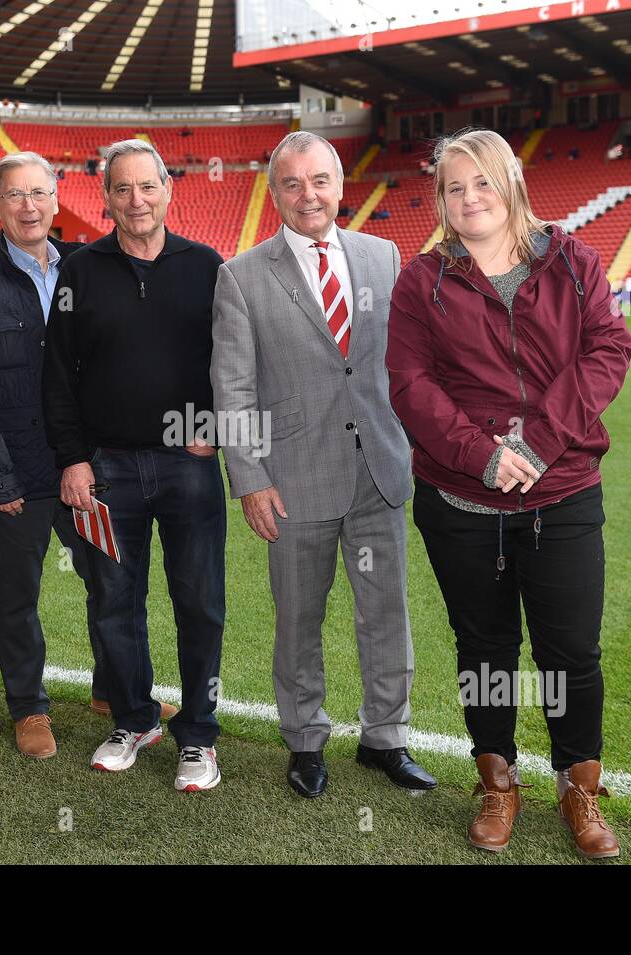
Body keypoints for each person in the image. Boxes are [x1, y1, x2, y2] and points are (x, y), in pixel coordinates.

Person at [387, 128, 631, 858]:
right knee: (485, 649)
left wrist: (536, 443)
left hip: (562, 494)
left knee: (571, 653)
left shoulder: (573, 260)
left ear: (511, 185)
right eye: (454, 188)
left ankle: (578, 787)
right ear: (442, 202)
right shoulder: (420, 280)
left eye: (481, 183)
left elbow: (608, 350)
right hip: (462, 503)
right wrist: (482, 455)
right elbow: (410, 385)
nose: (468, 198)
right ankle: (498, 782)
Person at [211, 131, 434, 800]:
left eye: (319, 180)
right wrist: (250, 480)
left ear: (340, 187)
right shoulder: (241, 274)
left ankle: (385, 737)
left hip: (378, 476)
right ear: (275, 192)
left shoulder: (384, 255)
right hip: (293, 482)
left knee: (386, 615)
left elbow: (407, 362)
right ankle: (305, 739)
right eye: (291, 183)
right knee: (298, 620)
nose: (307, 194)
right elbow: (233, 387)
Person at [0, 152, 176, 758]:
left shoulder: (89, 266)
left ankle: (119, 691)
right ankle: (29, 706)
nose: (29, 206)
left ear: (58, 199)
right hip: (18, 473)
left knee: (114, 583)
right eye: (15, 195)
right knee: (18, 594)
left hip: (92, 470)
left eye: (40, 194)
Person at [43, 140, 226, 792]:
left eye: (147, 187)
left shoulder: (207, 265)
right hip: (106, 469)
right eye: (122, 189)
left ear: (168, 190)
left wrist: (219, 424)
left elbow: (236, 363)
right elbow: (58, 375)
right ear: (107, 198)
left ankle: (199, 735)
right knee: (114, 602)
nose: (136, 200)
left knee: (200, 603)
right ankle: (133, 717)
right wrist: (71, 458)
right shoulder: (81, 270)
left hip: (191, 467)